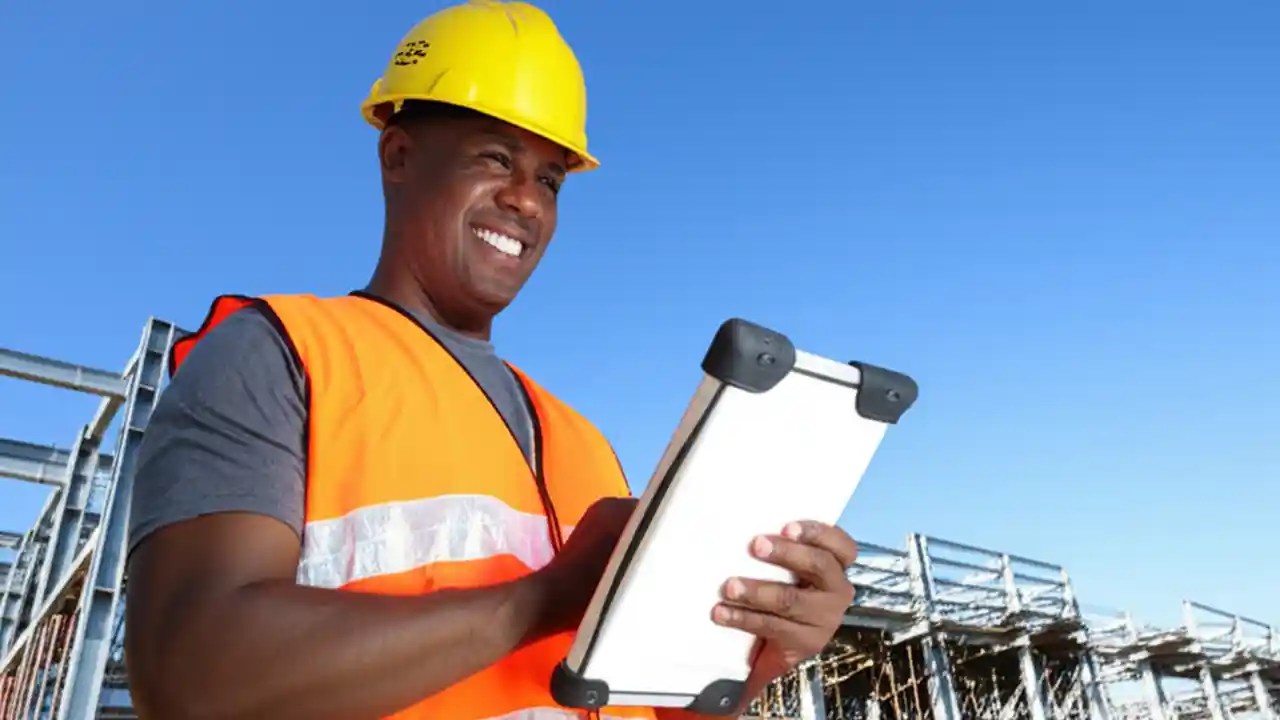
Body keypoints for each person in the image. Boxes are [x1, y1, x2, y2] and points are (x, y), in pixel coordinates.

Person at [122, 2, 859, 719]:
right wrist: (539, 599)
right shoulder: (280, 355)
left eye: (549, 179)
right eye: (496, 157)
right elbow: (189, 677)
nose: (527, 202)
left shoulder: (582, 443)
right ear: (399, 155)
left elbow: (634, 706)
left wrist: (757, 660)